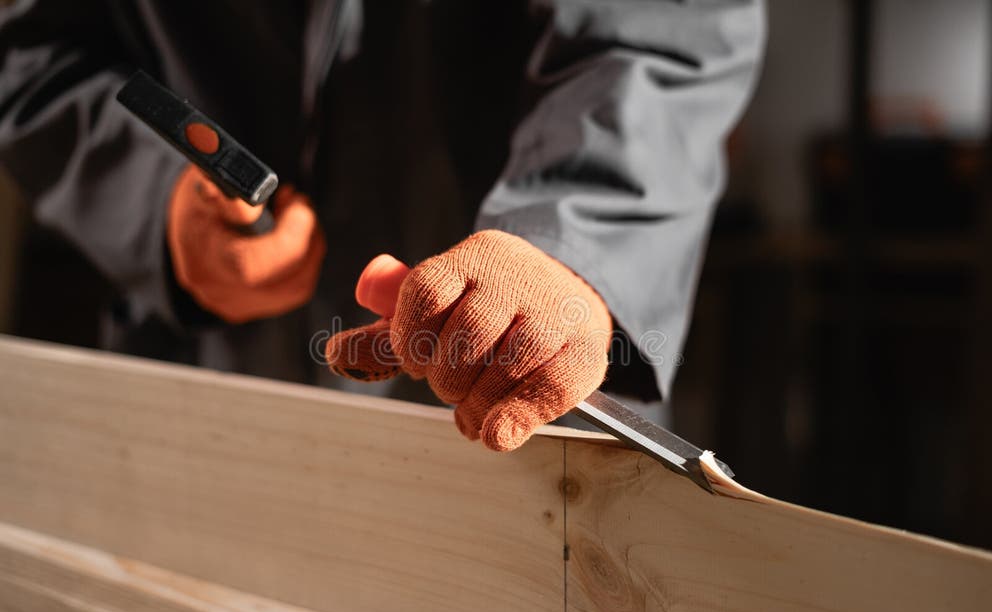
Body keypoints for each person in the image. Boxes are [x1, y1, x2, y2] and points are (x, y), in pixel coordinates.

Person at [0, 0, 765, 450]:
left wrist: (576, 241)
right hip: (202, 383)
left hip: (516, 386)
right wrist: (154, 205)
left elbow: (673, 27)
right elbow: (28, 44)